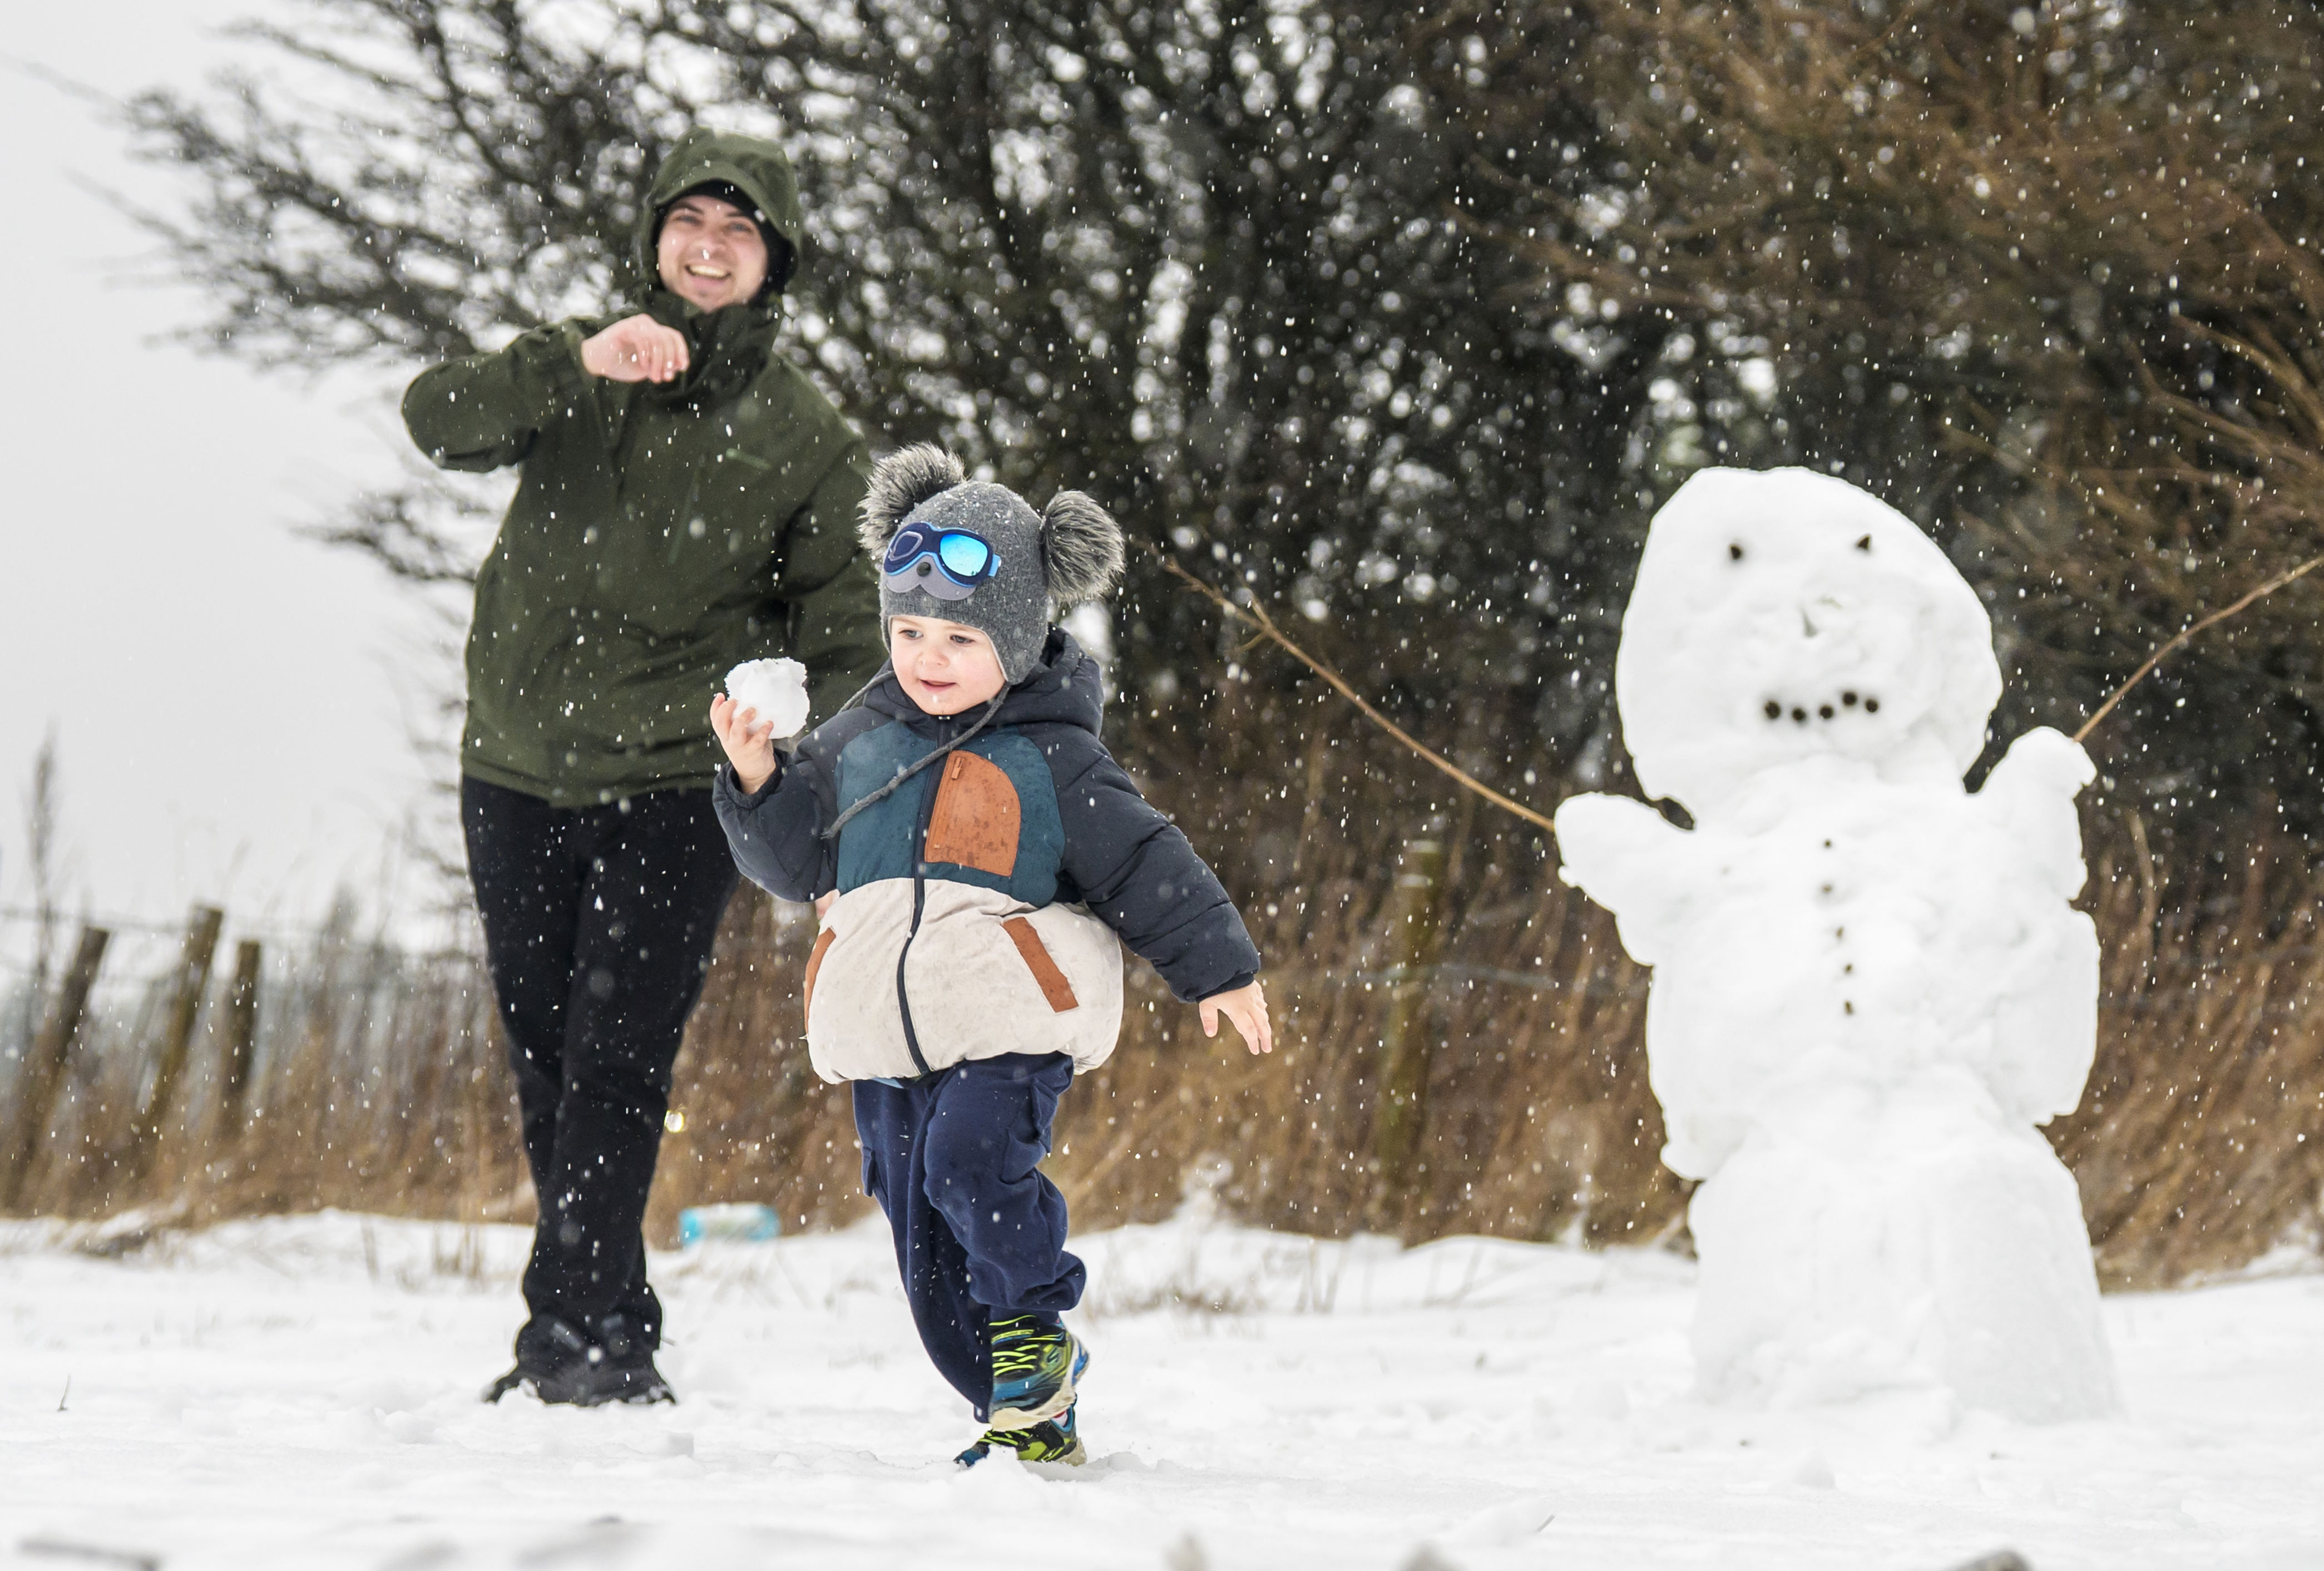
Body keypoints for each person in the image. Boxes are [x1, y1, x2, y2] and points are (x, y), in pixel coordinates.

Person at [400, 130, 884, 1405]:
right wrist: (572, 362)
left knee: (619, 1056)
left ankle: (562, 1333)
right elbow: (436, 421)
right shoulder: (580, 366)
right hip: (513, 762)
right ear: (655, 240)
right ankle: (615, 1323)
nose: (709, 248)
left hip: (675, 783)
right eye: (691, 225)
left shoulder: (808, 440)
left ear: (771, 262)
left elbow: (844, 635)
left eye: (739, 231)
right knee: (546, 1053)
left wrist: (796, 768)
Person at [707, 446, 1274, 1466]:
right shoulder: (857, 740)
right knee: (920, 1238)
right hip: (883, 1034)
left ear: (1017, 638)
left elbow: (1146, 861)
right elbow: (792, 866)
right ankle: (1022, 1412)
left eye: (960, 635)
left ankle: (1034, 1328)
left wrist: (1218, 968)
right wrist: (756, 782)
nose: (928, 655)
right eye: (910, 629)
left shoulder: (1053, 753)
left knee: (973, 1165)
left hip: (1010, 1019)